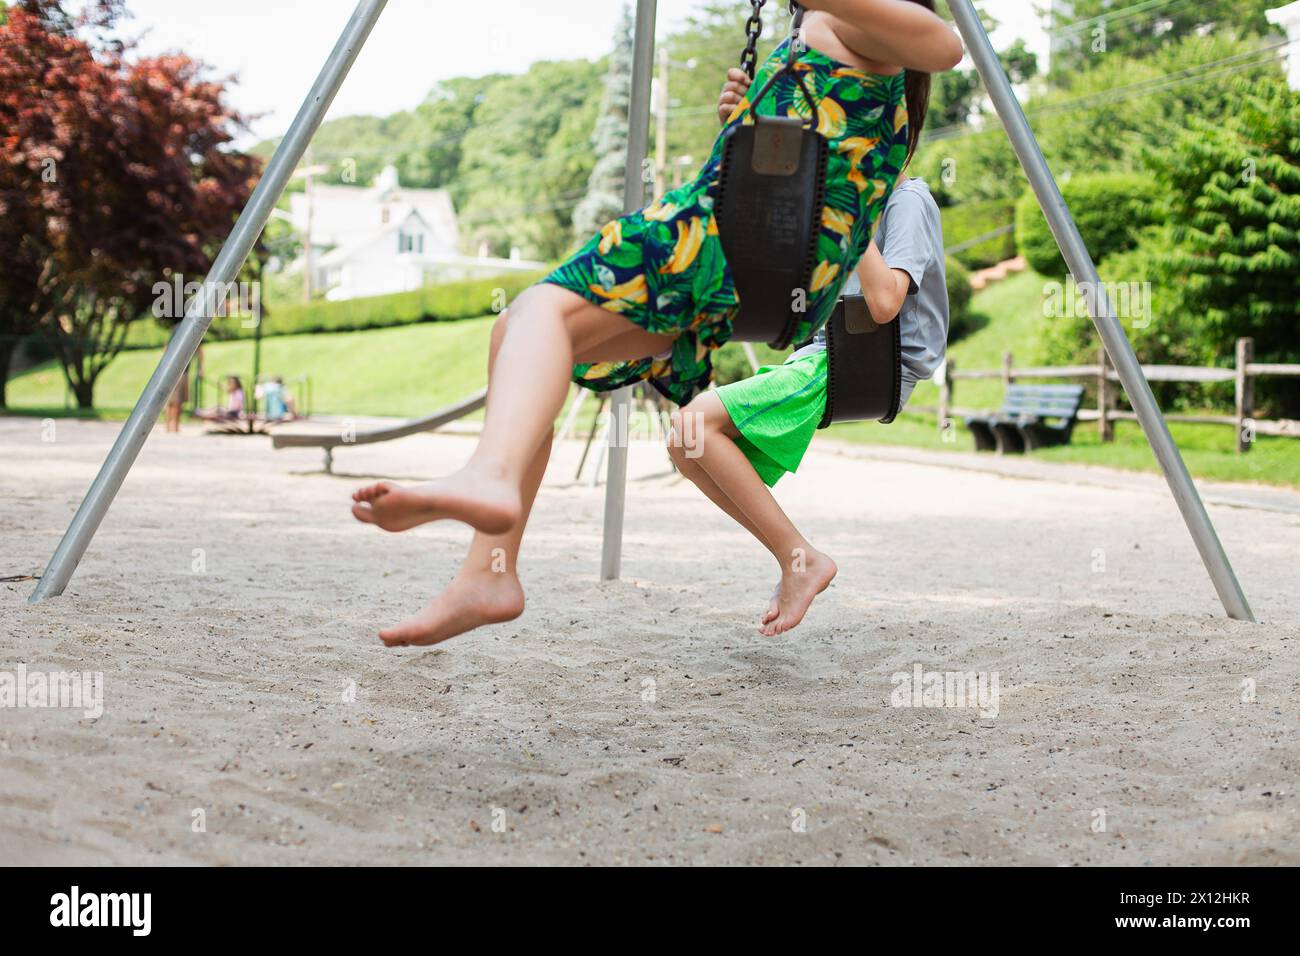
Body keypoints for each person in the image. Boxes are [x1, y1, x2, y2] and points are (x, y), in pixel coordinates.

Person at [351, 0, 964, 646]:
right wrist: (746, 119)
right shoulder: (849, 59)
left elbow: (946, 46)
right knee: (519, 339)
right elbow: (790, 165)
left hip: (721, 245)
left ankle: (491, 476)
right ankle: (488, 572)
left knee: (537, 310)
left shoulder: (854, 19)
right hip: (756, 264)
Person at [665, 65, 949, 638]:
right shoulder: (836, 198)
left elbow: (886, 300)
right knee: (687, 446)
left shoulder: (907, 200)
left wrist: (853, 206)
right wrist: (742, 138)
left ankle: (803, 559)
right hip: (824, 354)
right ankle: (794, 558)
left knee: (692, 425)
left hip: (870, 359)